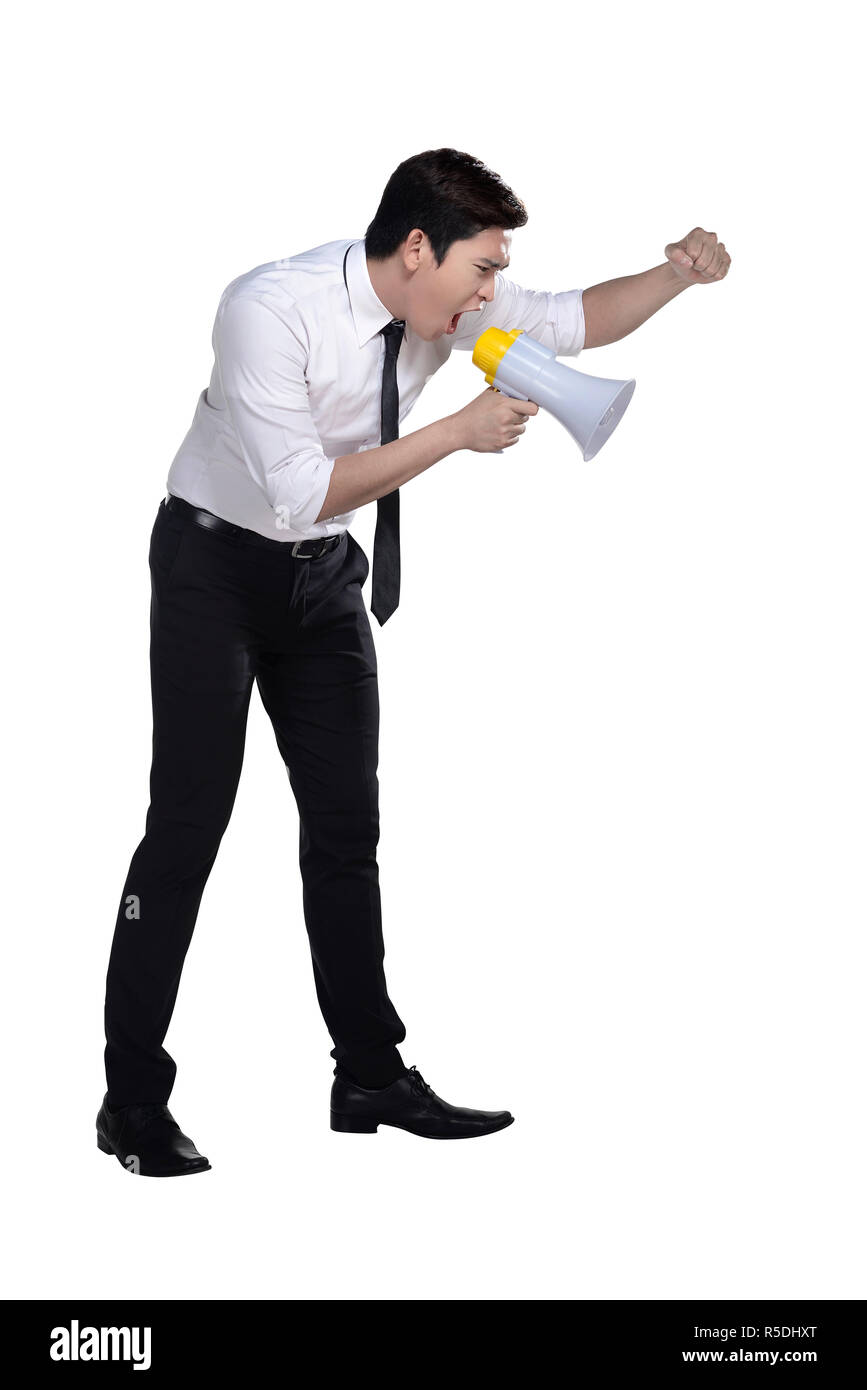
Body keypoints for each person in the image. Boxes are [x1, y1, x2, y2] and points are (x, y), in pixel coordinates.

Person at [98, 146, 727, 1175]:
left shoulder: (448, 303)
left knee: (347, 830)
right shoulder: (270, 307)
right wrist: (457, 433)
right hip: (213, 570)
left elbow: (572, 318)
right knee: (186, 827)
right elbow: (301, 489)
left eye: (497, 275)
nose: (493, 294)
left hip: (323, 583)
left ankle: (370, 1072)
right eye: (483, 270)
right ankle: (129, 1100)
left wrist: (673, 275)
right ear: (418, 246)